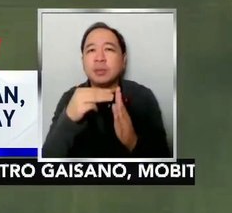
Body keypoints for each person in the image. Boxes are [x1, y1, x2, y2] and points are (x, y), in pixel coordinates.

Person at [41, 21, 172, 159]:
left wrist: (133, 142)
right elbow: (46, 163)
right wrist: (68, 121)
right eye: (91, 50)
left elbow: (164, 164)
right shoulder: (69, 98)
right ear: (83, 61)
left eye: (109, 49)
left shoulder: (143, 97)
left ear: (123, 60)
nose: (99, 58)